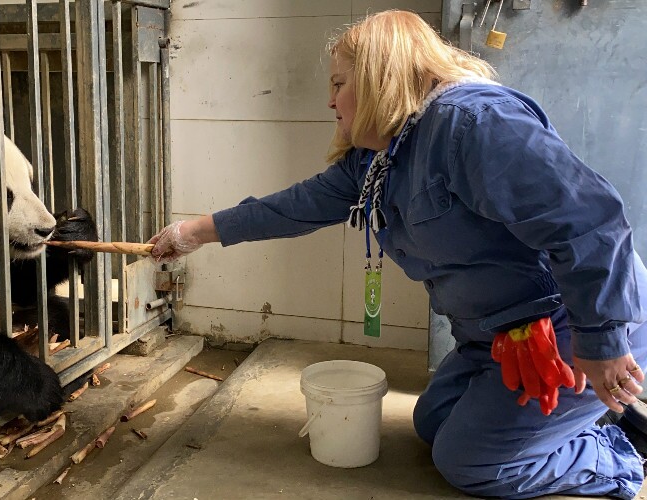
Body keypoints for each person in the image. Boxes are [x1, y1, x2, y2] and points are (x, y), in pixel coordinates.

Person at [148, 10, 647, 499]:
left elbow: (590, 221)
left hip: (567, 329)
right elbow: (295, 207)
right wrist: (193, 232)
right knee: (432, 424)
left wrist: (601, 340)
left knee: (471, 463)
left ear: (379, 76)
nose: (330, 101)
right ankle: (550, 426)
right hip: (493, 336)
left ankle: (615, 455)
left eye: (340, 84)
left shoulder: (472, 124)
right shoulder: (381, 156)